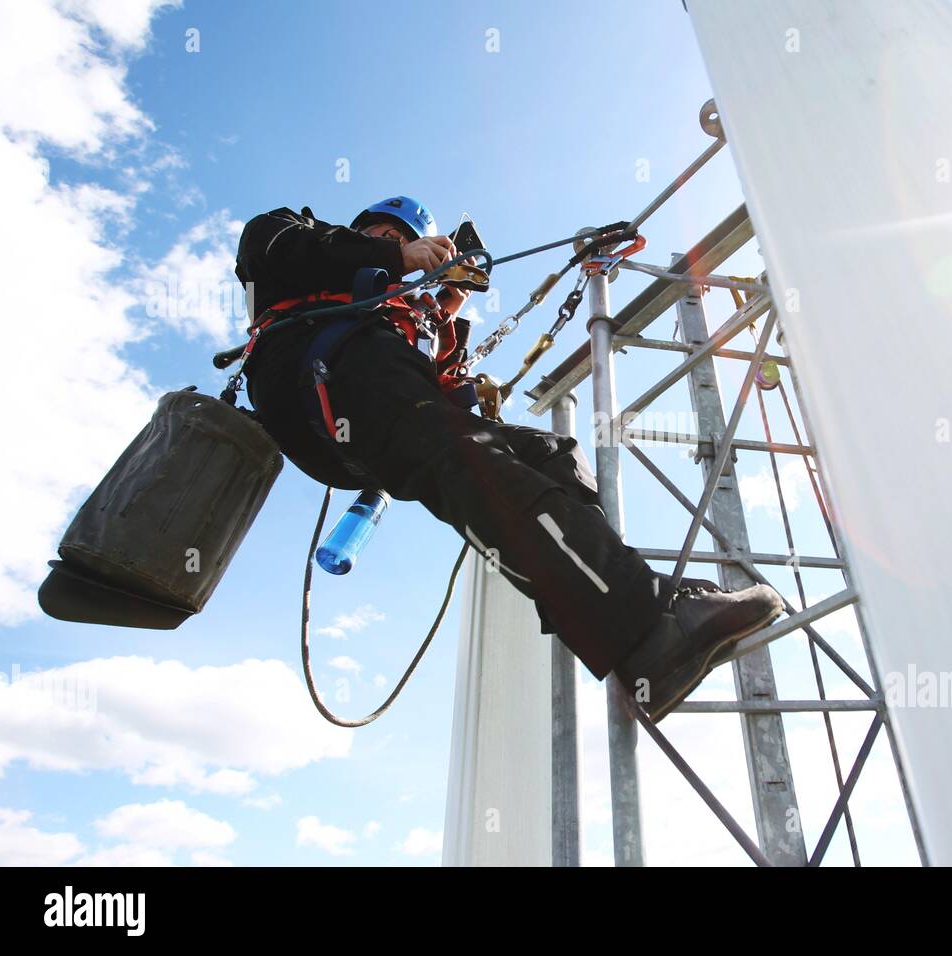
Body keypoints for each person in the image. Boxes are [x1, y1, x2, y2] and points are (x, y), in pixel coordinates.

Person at [234, 196, 783, 721]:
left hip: (376, 405)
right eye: (383, 234)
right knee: (465, 460)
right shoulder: (295, 241)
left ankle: (640, 637)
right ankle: (646, 625)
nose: (395, 244)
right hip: (318, 373)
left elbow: (449, 397)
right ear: (362, 231)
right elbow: (269, 244)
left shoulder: (416, 320)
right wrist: (393, 258)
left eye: (406, 239)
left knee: (550, 455)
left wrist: (446, 315)